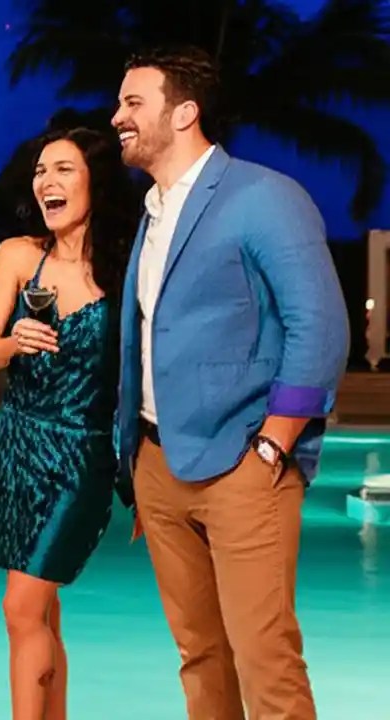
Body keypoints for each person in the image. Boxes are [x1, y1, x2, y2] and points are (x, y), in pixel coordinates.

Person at [113, 45, 348, 720]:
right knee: (200, 657)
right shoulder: (156, 210)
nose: (117, 116)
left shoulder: (263, 196)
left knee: (264, 656)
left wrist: (274, 444)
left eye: (134, 102)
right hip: (158, 467)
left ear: (185, 111)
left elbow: (321, 328)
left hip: (244, 466)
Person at [0, 127, 139, 719]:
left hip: (82, 456)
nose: (47, 182)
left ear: (96, 181)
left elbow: (137, 380)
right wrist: (13, 341)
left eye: (64, 170)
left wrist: (136, 479)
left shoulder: (126, 271)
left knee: (21, 607)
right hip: (16, 445)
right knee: (41, 610)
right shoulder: (19, 255)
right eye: (41, 171)